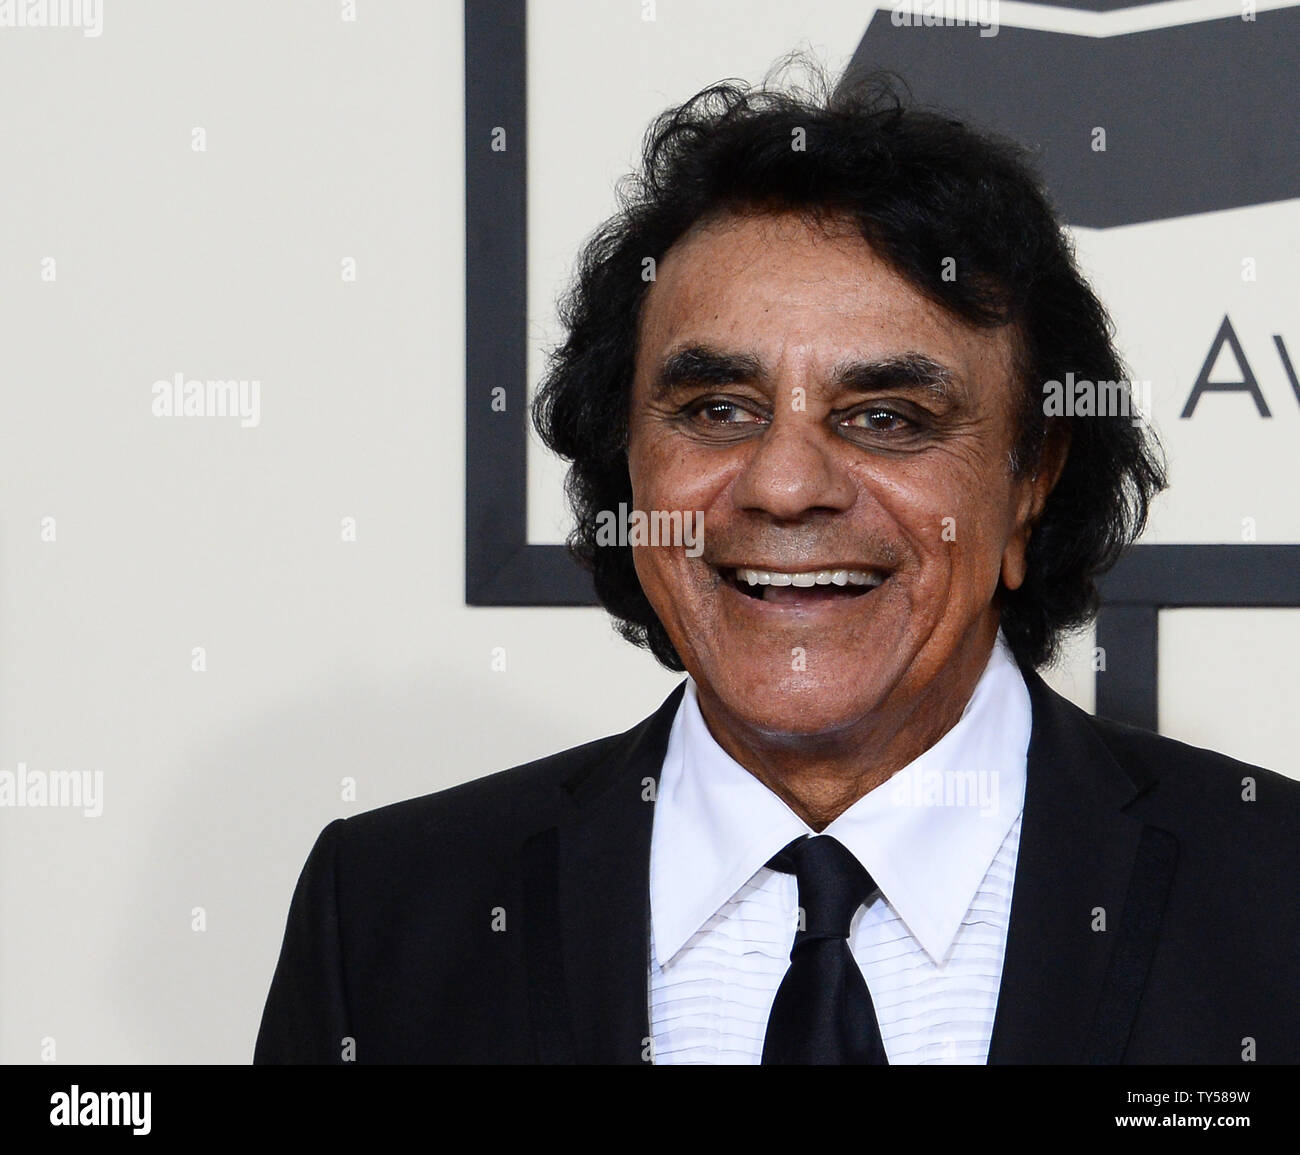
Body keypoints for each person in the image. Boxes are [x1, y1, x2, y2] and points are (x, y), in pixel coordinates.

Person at [254, 69, 1300, 1064]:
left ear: (1030, 479)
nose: (785, 484)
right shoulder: (388, 916)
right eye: (717, 411)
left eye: (887, 418)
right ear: (627, 468)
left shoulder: (1274, 895)